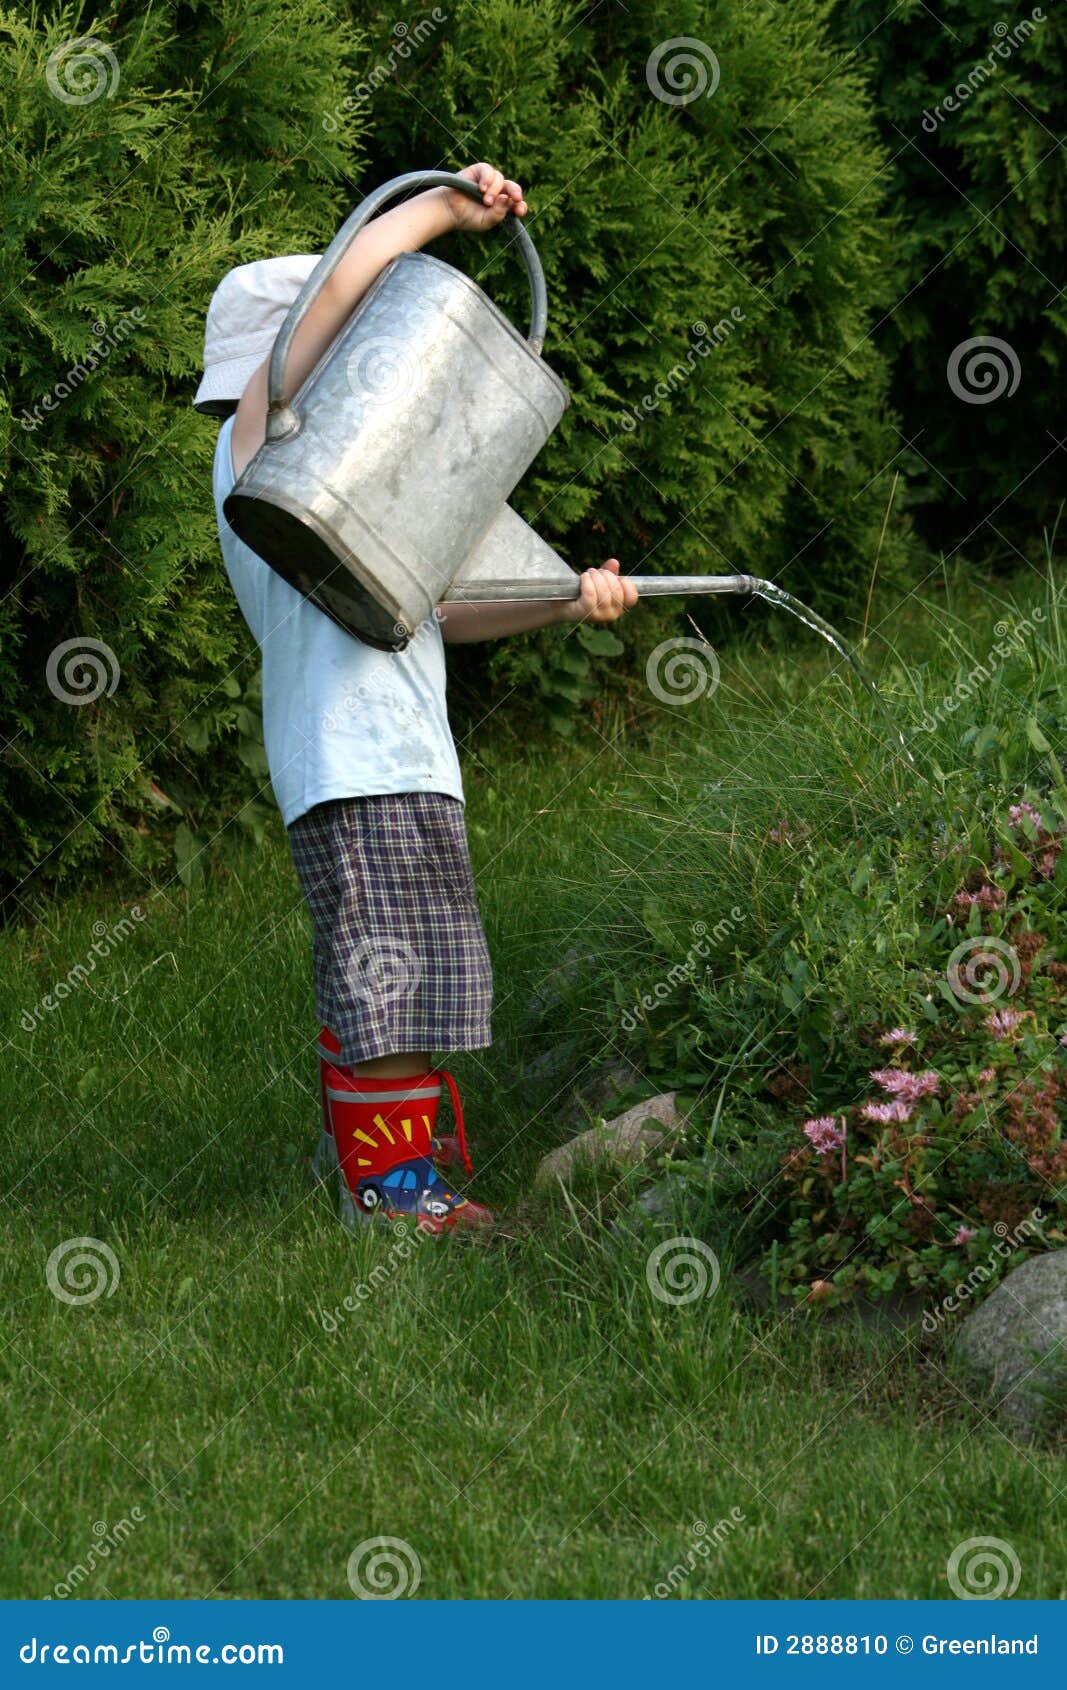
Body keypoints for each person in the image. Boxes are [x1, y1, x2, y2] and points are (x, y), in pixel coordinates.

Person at [194, 162, 638, 1235]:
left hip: (397, 758)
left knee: (405, 976)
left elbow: (440, 603)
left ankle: (381, 1164)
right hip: (354, 760)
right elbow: (344, 291)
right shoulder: (262, 451)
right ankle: (395, 1200)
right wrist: (444, 210)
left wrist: (565, 603)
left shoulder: (342, 491)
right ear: (286, 353)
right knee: (386, 977)